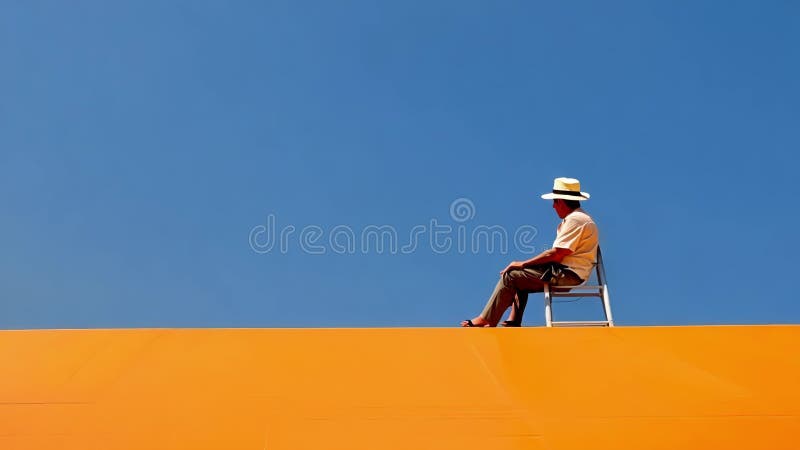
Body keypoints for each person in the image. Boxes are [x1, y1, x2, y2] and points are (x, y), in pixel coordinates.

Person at [461, 177, 599, 327]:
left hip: (567, 274)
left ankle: (486, 319)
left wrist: (522, 264)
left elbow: (557, 253)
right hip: (568, 272)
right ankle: (513, 320)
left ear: (560, 201)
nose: (553, 206)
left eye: (554, 202)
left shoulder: (575, 219)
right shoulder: (581, 218)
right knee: (521, 275)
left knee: (511, 276)